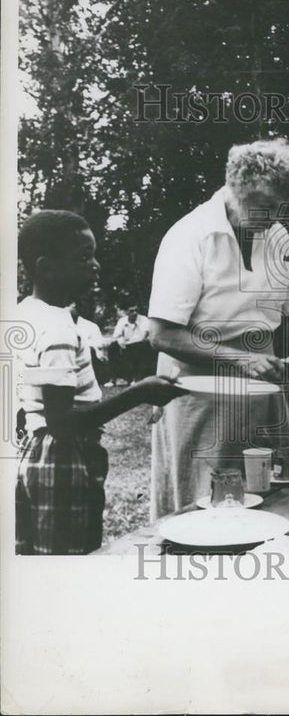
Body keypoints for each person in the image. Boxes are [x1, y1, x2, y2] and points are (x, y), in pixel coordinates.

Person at [148, 138, 289, 519]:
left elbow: (287, 313)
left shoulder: (277, 237)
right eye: (265, 206)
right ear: (235, 190)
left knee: (270, 497)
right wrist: (237, 358)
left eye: (281, 207)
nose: (274, 216)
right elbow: (161, 334)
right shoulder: (190, 237)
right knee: (204, 506)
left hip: (260, 392)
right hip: (200, 395)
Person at [15, 210, 185, 554]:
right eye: (83, 258)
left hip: (33, 455)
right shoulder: (57, 329)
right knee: (70, 555)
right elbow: (62, 424)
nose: (95, 266)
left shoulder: (27, 314)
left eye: (93, 256)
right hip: (63, 457)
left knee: (38, 553)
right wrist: (139, 392)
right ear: (46, 267)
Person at [106, 305, 151, 386]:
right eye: (132, 311)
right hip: (126, 345)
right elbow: (116, 336)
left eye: (136, 310)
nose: (135, 313)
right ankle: (113, 380)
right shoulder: (122, 321)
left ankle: (137, 378)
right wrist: (121, 342)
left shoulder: (144, 319)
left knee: (141, 346)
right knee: (112, 347)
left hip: (140, 344)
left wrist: (128, 342)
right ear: (126, 312)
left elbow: (143, 337)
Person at [68, 301, 109, 384]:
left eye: (74, 307)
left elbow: (98, 343)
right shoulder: (62, 325)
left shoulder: (90, 326)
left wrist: (86, 344)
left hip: (88, 354)